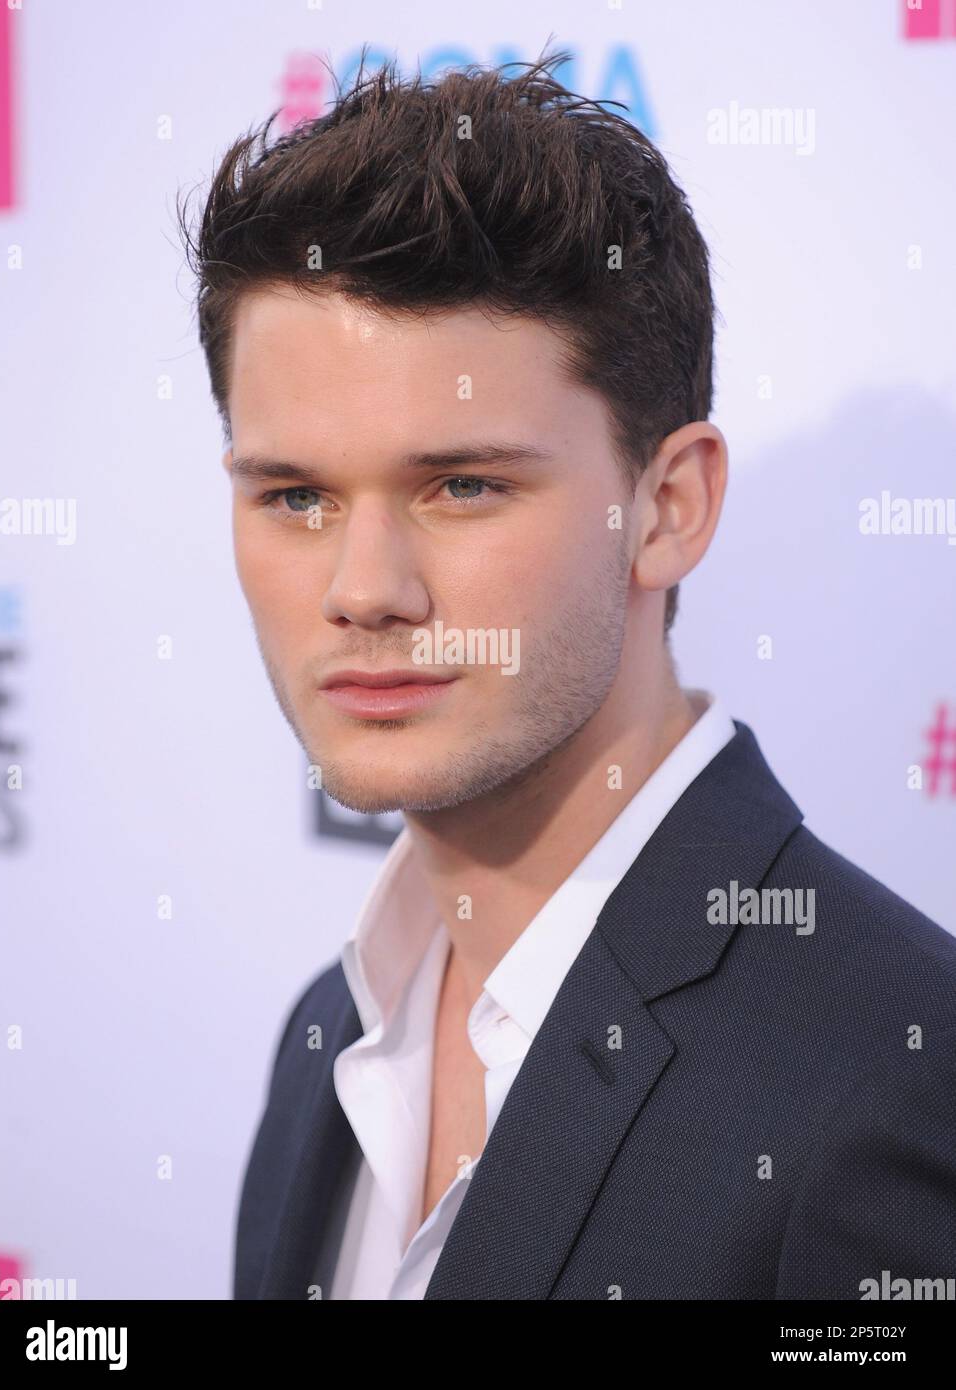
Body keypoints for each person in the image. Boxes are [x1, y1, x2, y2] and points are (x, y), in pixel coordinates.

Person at [180, 52, 956, 1300]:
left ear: (667, 507)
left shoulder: (890, 1087)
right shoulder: (323, 1039)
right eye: (296, 496)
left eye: (464, 484)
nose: (364, 587)